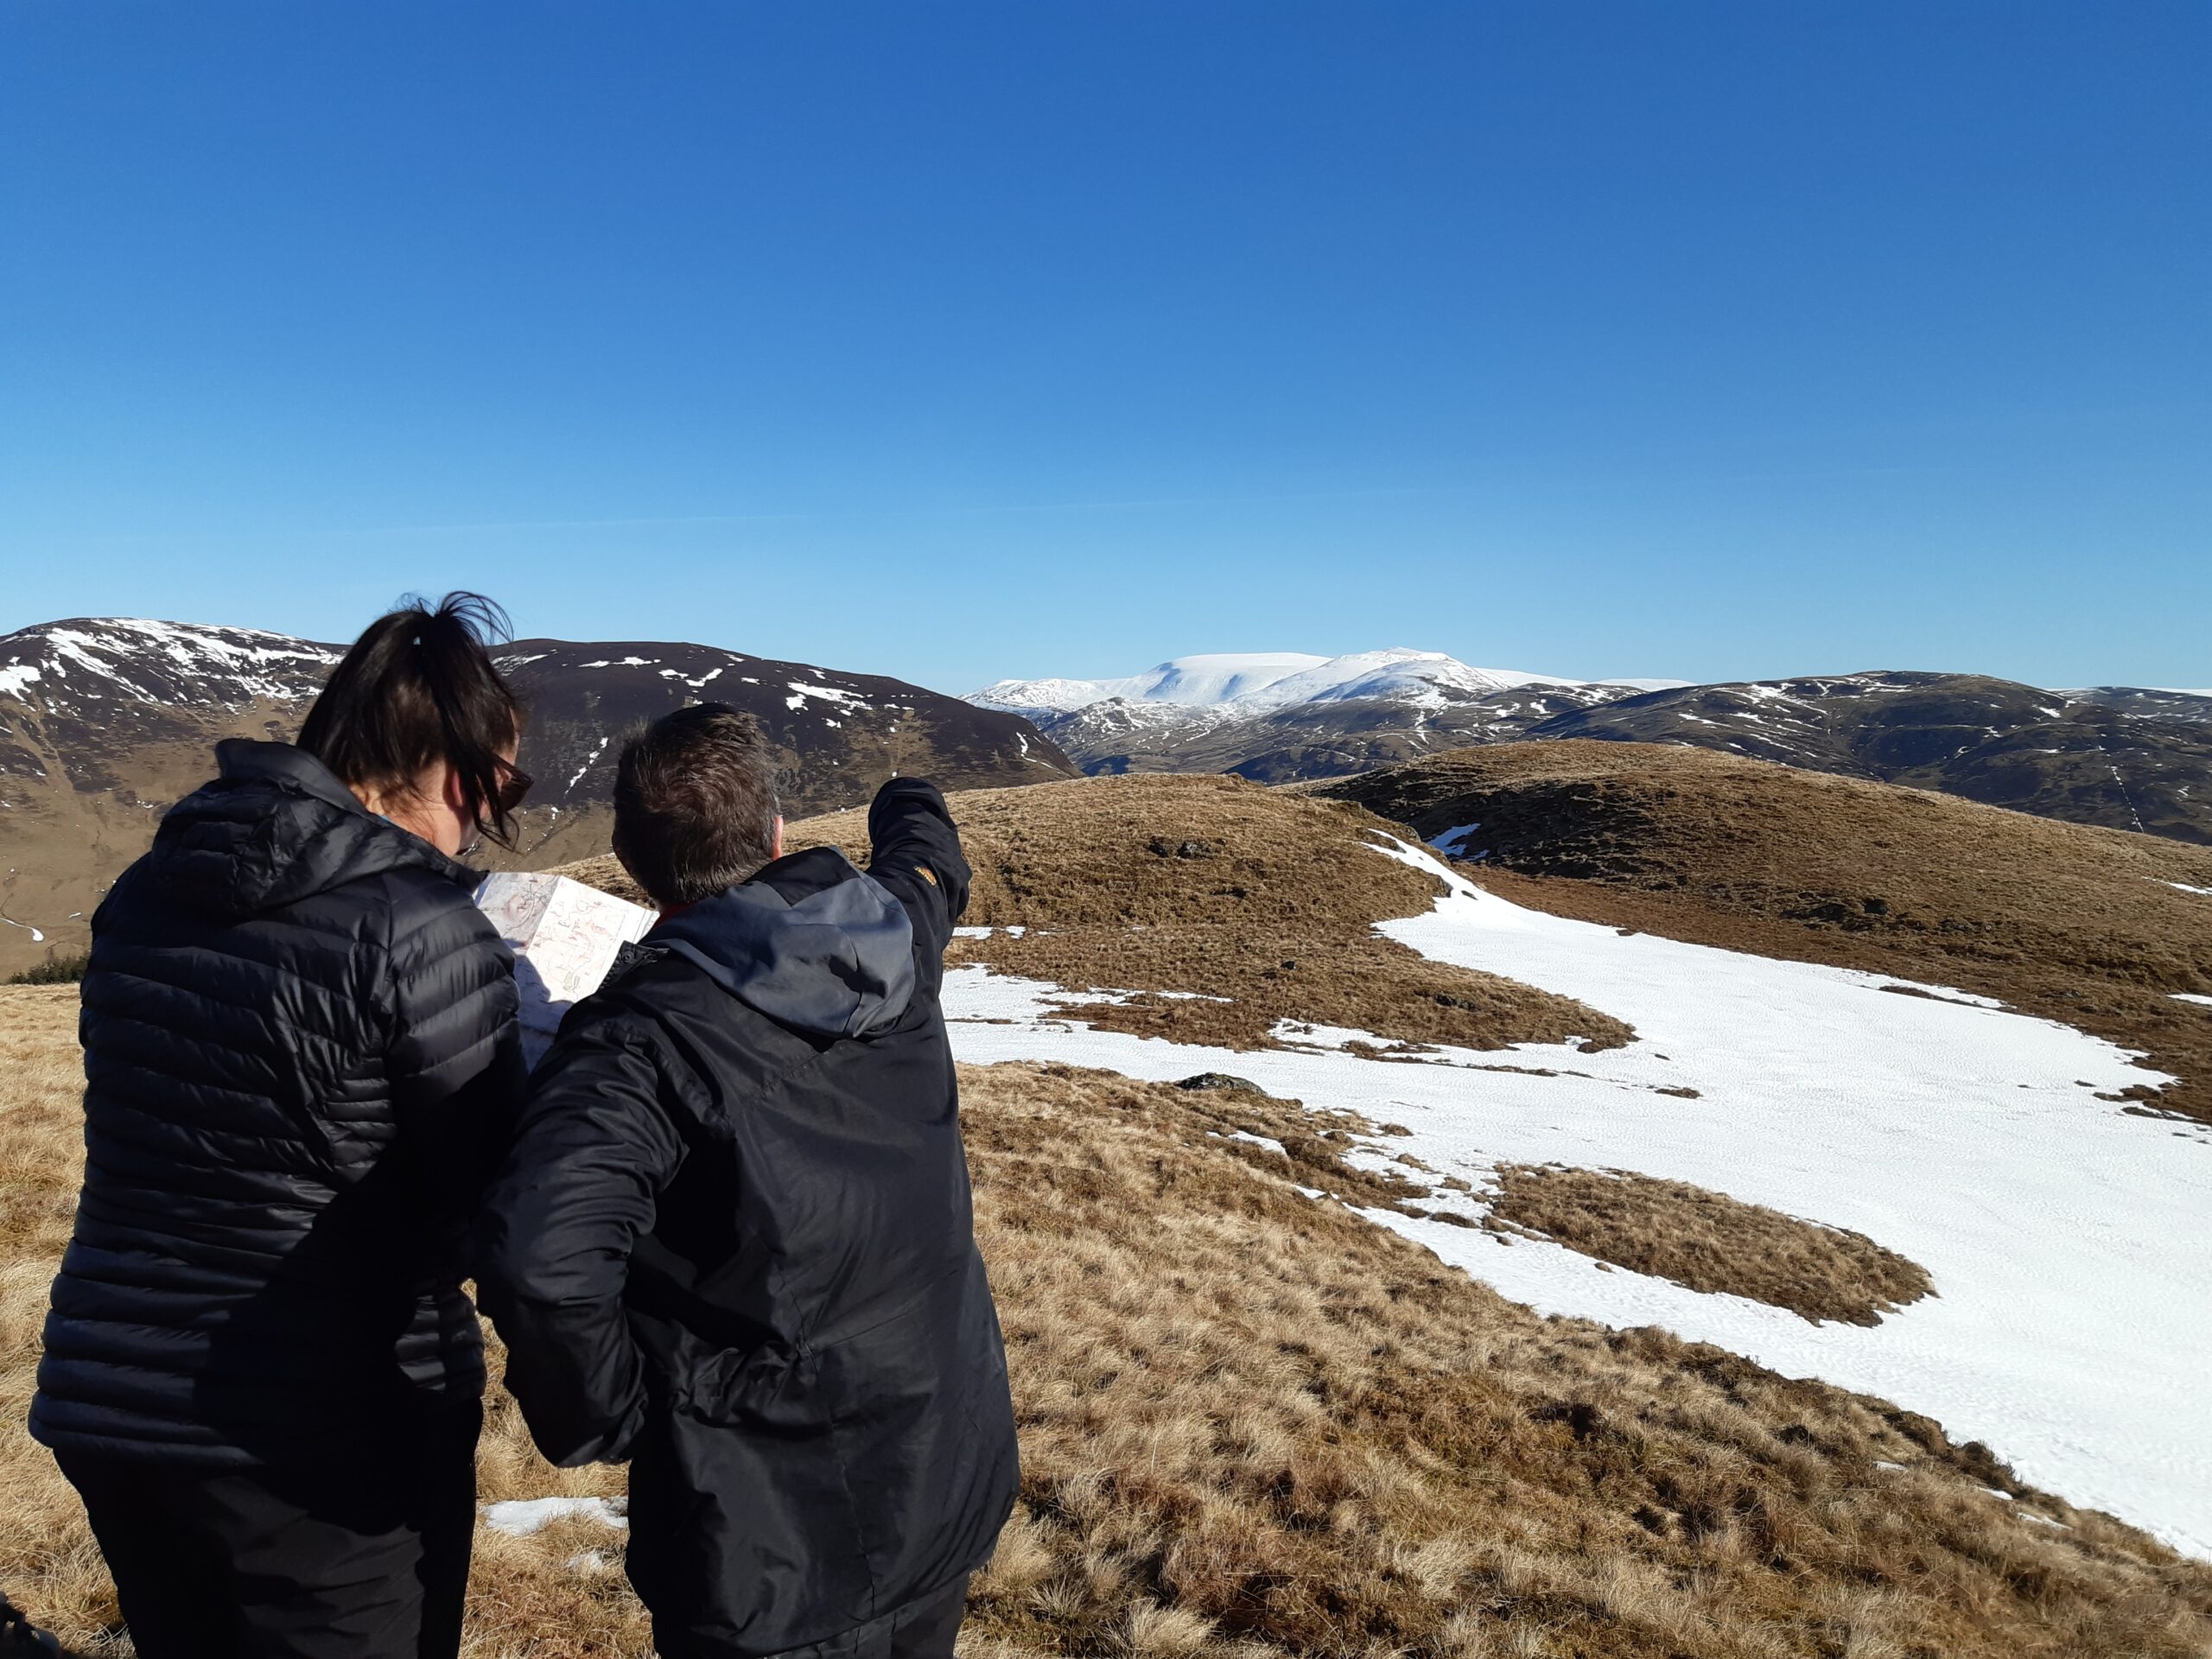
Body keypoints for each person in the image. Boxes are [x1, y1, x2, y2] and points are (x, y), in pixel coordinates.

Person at [30, 594, 532, 1659]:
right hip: (318, 1425)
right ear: (454, 773)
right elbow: (479, 1204)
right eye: (503, 789)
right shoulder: (421, 930)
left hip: (111, 1399)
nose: (489, 821)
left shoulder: (144, 892)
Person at [475, 704, 1019, 1659]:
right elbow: (931, 865)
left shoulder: (635, 1040)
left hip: (766, 1531)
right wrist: (907, 797)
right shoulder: (886, 933)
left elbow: (544, 1258)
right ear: (775, 836)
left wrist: (605, 1416)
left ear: (635, 864)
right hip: (939, 1473)